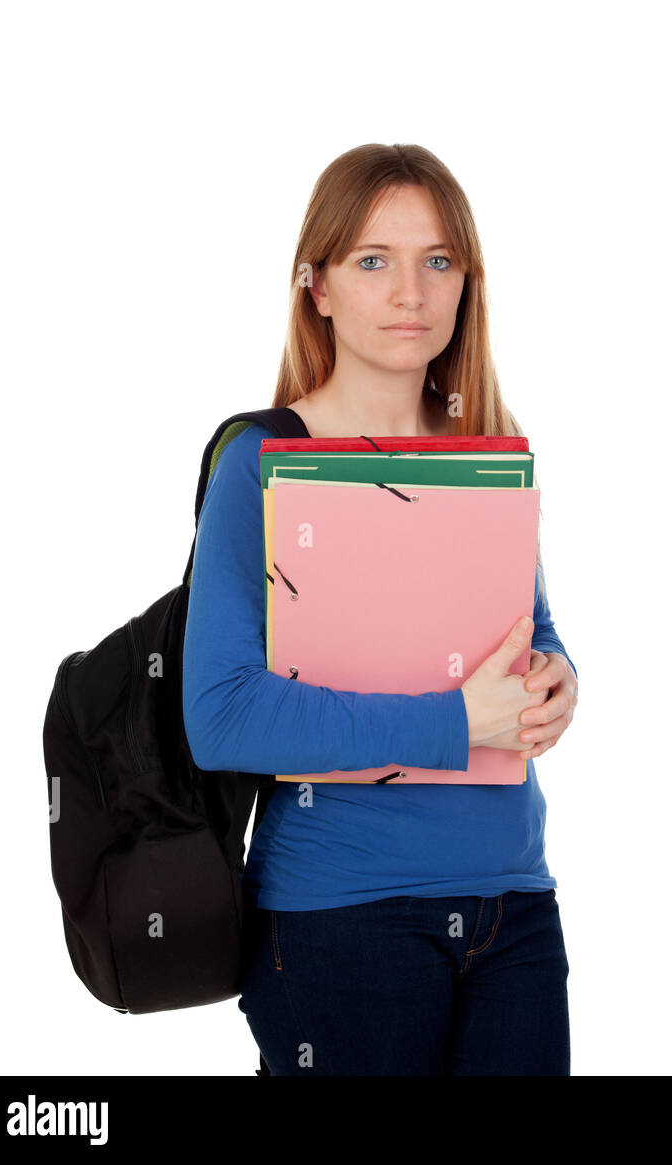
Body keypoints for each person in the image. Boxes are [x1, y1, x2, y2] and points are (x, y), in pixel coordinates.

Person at [182, 143, 579, 1075]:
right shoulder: (260, 466)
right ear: (315, 285)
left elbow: (534, 634)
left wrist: (560, 681)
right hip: (340, 915)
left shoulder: (486, 454)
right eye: (374, 261)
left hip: (514, 904)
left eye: (437, 260)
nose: (411, 290)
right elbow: (224, 714)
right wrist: (454, 722)